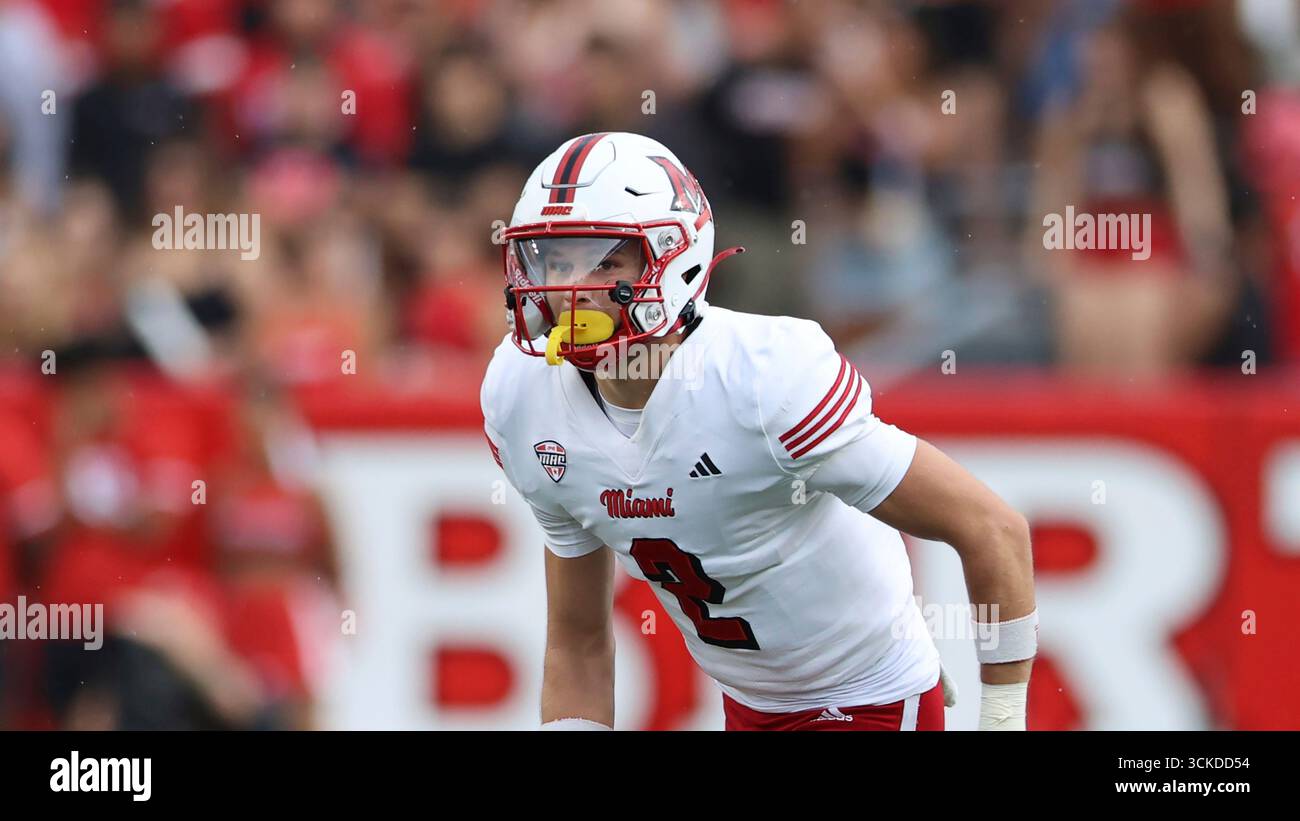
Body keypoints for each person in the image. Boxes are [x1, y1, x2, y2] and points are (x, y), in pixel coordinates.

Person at [481, 132, 1036, 731]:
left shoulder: (762, 377)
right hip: (747, 707)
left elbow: (992, 528)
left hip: (863, 697)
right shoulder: (523, 395)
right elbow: (578, 642)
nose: (568, 291)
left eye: (603, 262)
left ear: (674, 259)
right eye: (555, 261)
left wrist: (1003, 720)